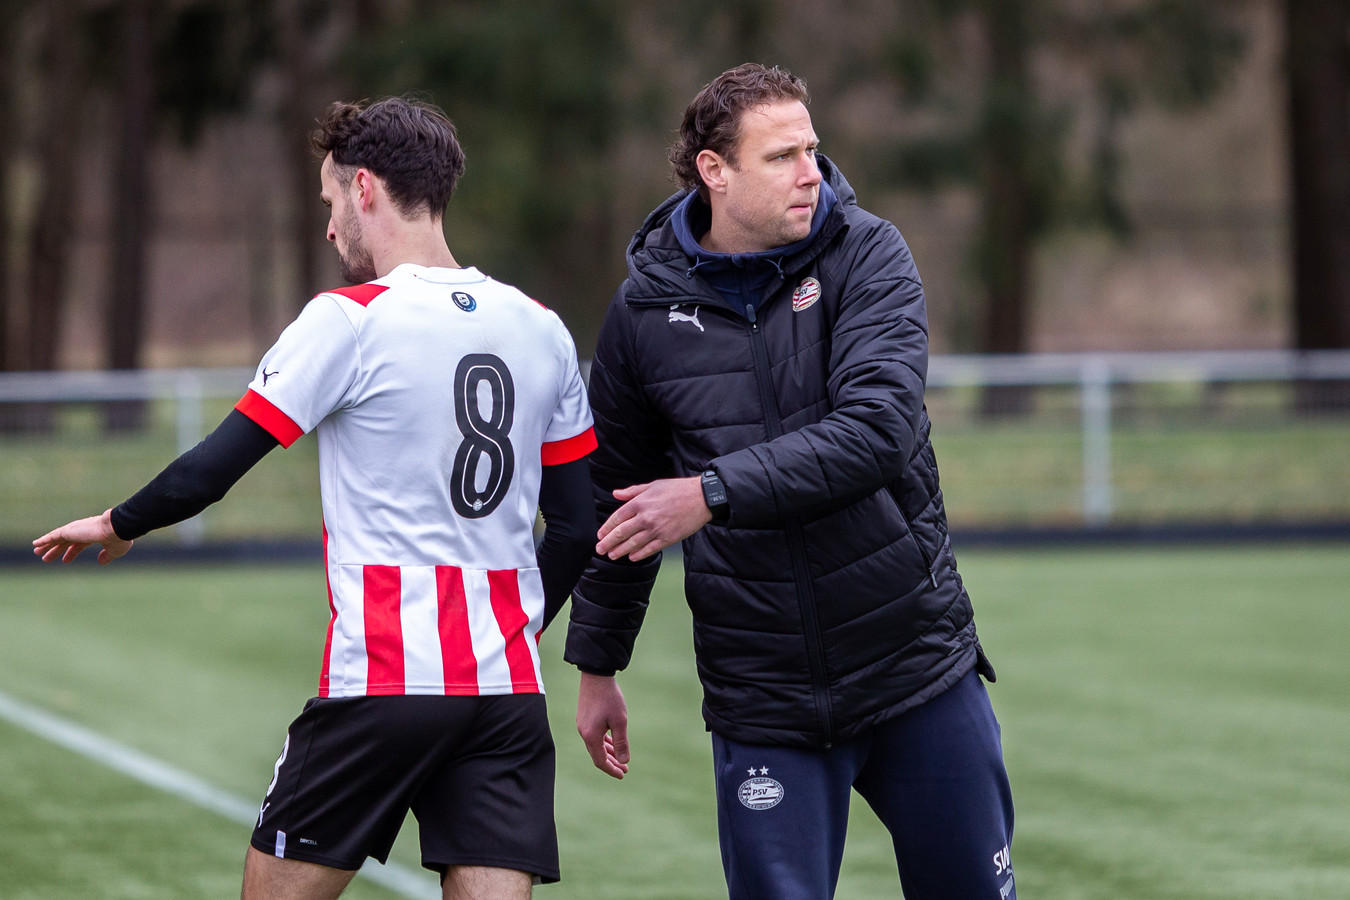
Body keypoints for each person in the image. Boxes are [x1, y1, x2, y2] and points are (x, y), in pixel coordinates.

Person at [33, 97, 597, 900]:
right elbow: (576, 528)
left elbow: (212, 470)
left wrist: (118, 521)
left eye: (331, 201)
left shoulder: (349, 319)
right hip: (506, 693)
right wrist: (512, 632)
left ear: (365, 188)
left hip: (383, 682)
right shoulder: (543, 327)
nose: (330, 227)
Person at [565, 64, 1016, 899]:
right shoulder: (641, 314)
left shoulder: (869, 254)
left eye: (812, 149)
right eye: (782, 157)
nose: (812, 172)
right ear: (714, 170)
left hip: (915, 667)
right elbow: (620, 501)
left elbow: (877, 431)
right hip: (762, 696)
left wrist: (708, 492)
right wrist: (599, 666)